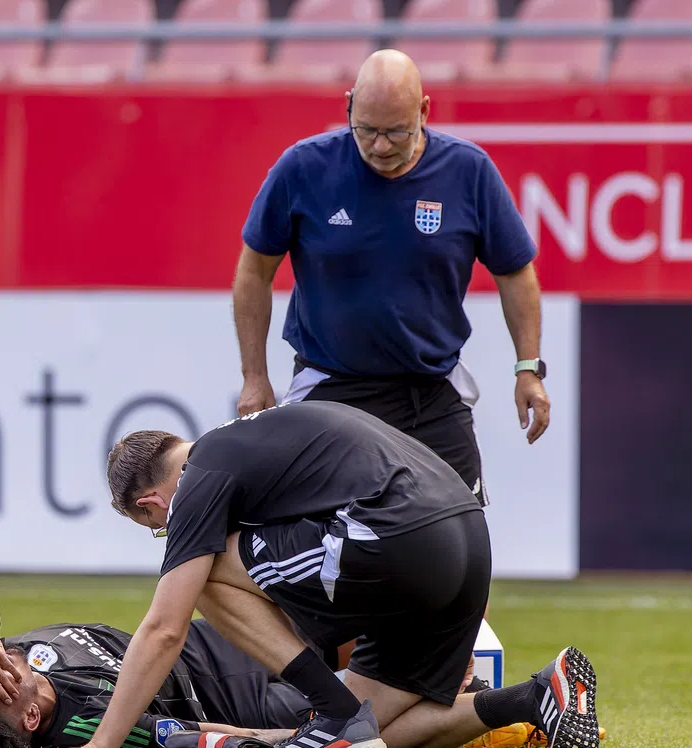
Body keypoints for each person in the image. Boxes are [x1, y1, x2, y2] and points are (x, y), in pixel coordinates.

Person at [49, 401, 600, 748]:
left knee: (202, 569)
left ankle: (332, 707)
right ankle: (534, 696)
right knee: (360, 737)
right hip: (468, 540)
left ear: (151, 502)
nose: (166, 531)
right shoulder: (254, 439)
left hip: (397, 534)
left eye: (156, 527)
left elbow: (165, 629)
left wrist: (101, 745)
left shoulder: (198, 477)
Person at [233, 49, 549, 506]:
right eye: (366, 130)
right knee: (314, 533)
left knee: (462, 535)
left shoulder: (469, 170)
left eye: (397, 131)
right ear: (348, 106)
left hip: (433, 391)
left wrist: (528, 369)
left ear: (424, 111)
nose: (380, 146)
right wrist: (254, 377)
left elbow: (516, 273)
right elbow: (253, 271)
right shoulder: (302, 167)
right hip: (330, 389)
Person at [0, 524, 307, 748]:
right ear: (31, 716)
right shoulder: (84, 725)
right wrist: (298, 737)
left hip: (208, 638)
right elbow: (199, 734)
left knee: (319, 616)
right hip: (239, 702)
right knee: (341, 697)